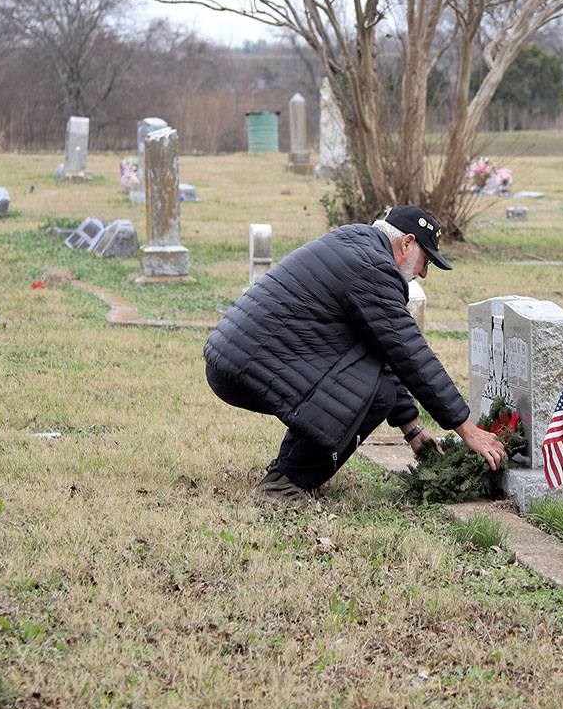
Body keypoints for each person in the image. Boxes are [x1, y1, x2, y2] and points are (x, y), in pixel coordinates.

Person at [204, 204, 507, 505]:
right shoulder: (372, 269)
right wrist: (468, 430)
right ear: (407, 243)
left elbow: (380, 352)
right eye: (425, 261)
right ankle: (284, 485)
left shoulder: (357, 245)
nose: (424, 273)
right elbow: (410, 353)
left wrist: (412, 428)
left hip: (240, 359)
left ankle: (288, 472)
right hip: (251, 364)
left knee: (367, 381)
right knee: (376, 395)